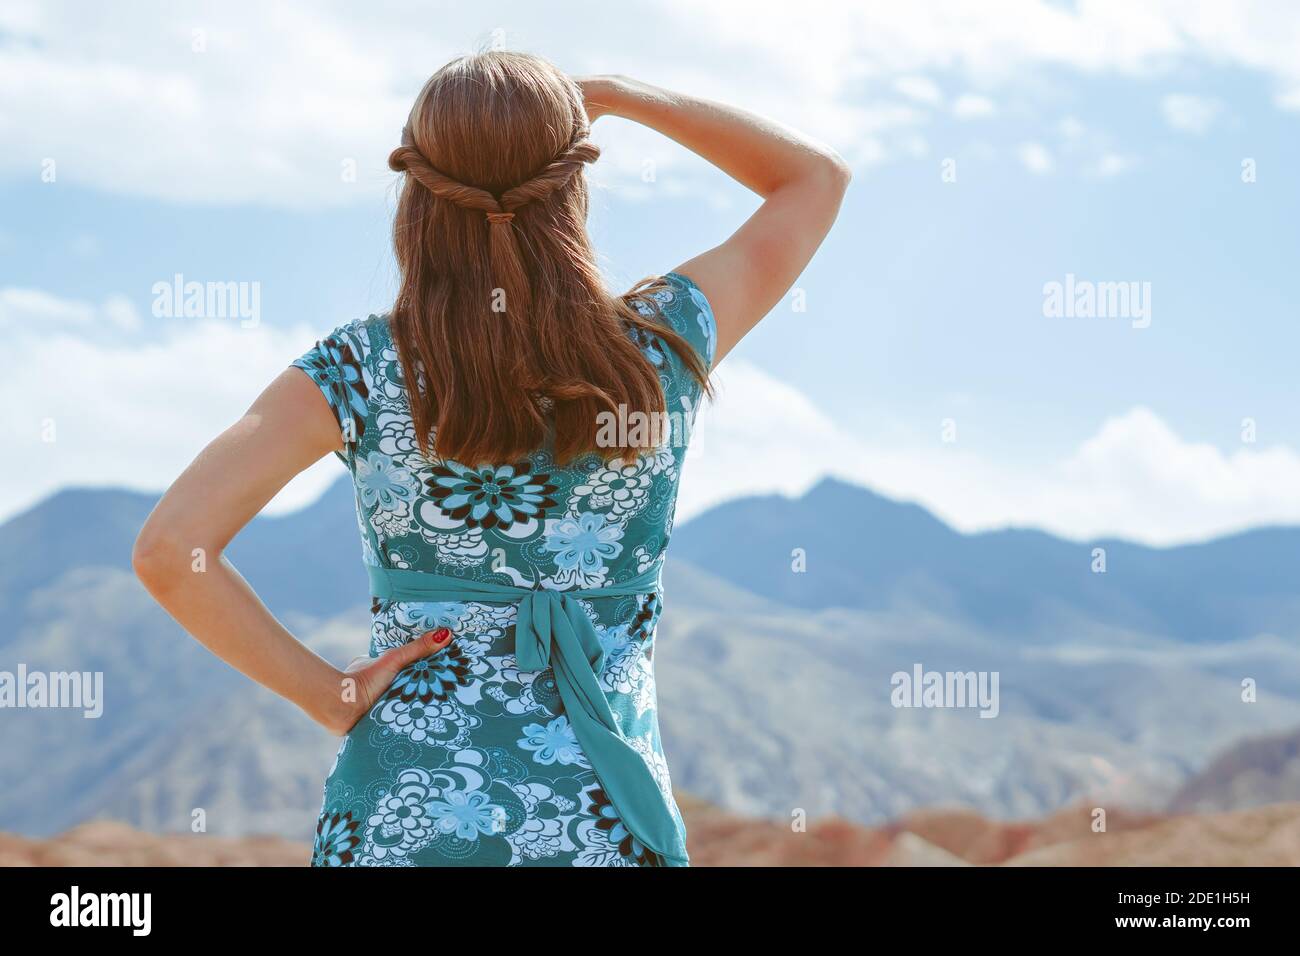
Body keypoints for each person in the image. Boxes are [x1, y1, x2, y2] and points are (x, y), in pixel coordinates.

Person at [133, 51, 849, 867]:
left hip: (407, 825)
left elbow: (168, 553)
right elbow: (814, 178)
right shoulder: (665, 342)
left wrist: (328, 694)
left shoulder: (359, 370)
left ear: (415, 195)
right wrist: (617, 95)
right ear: (575, 183)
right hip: (605, 828)